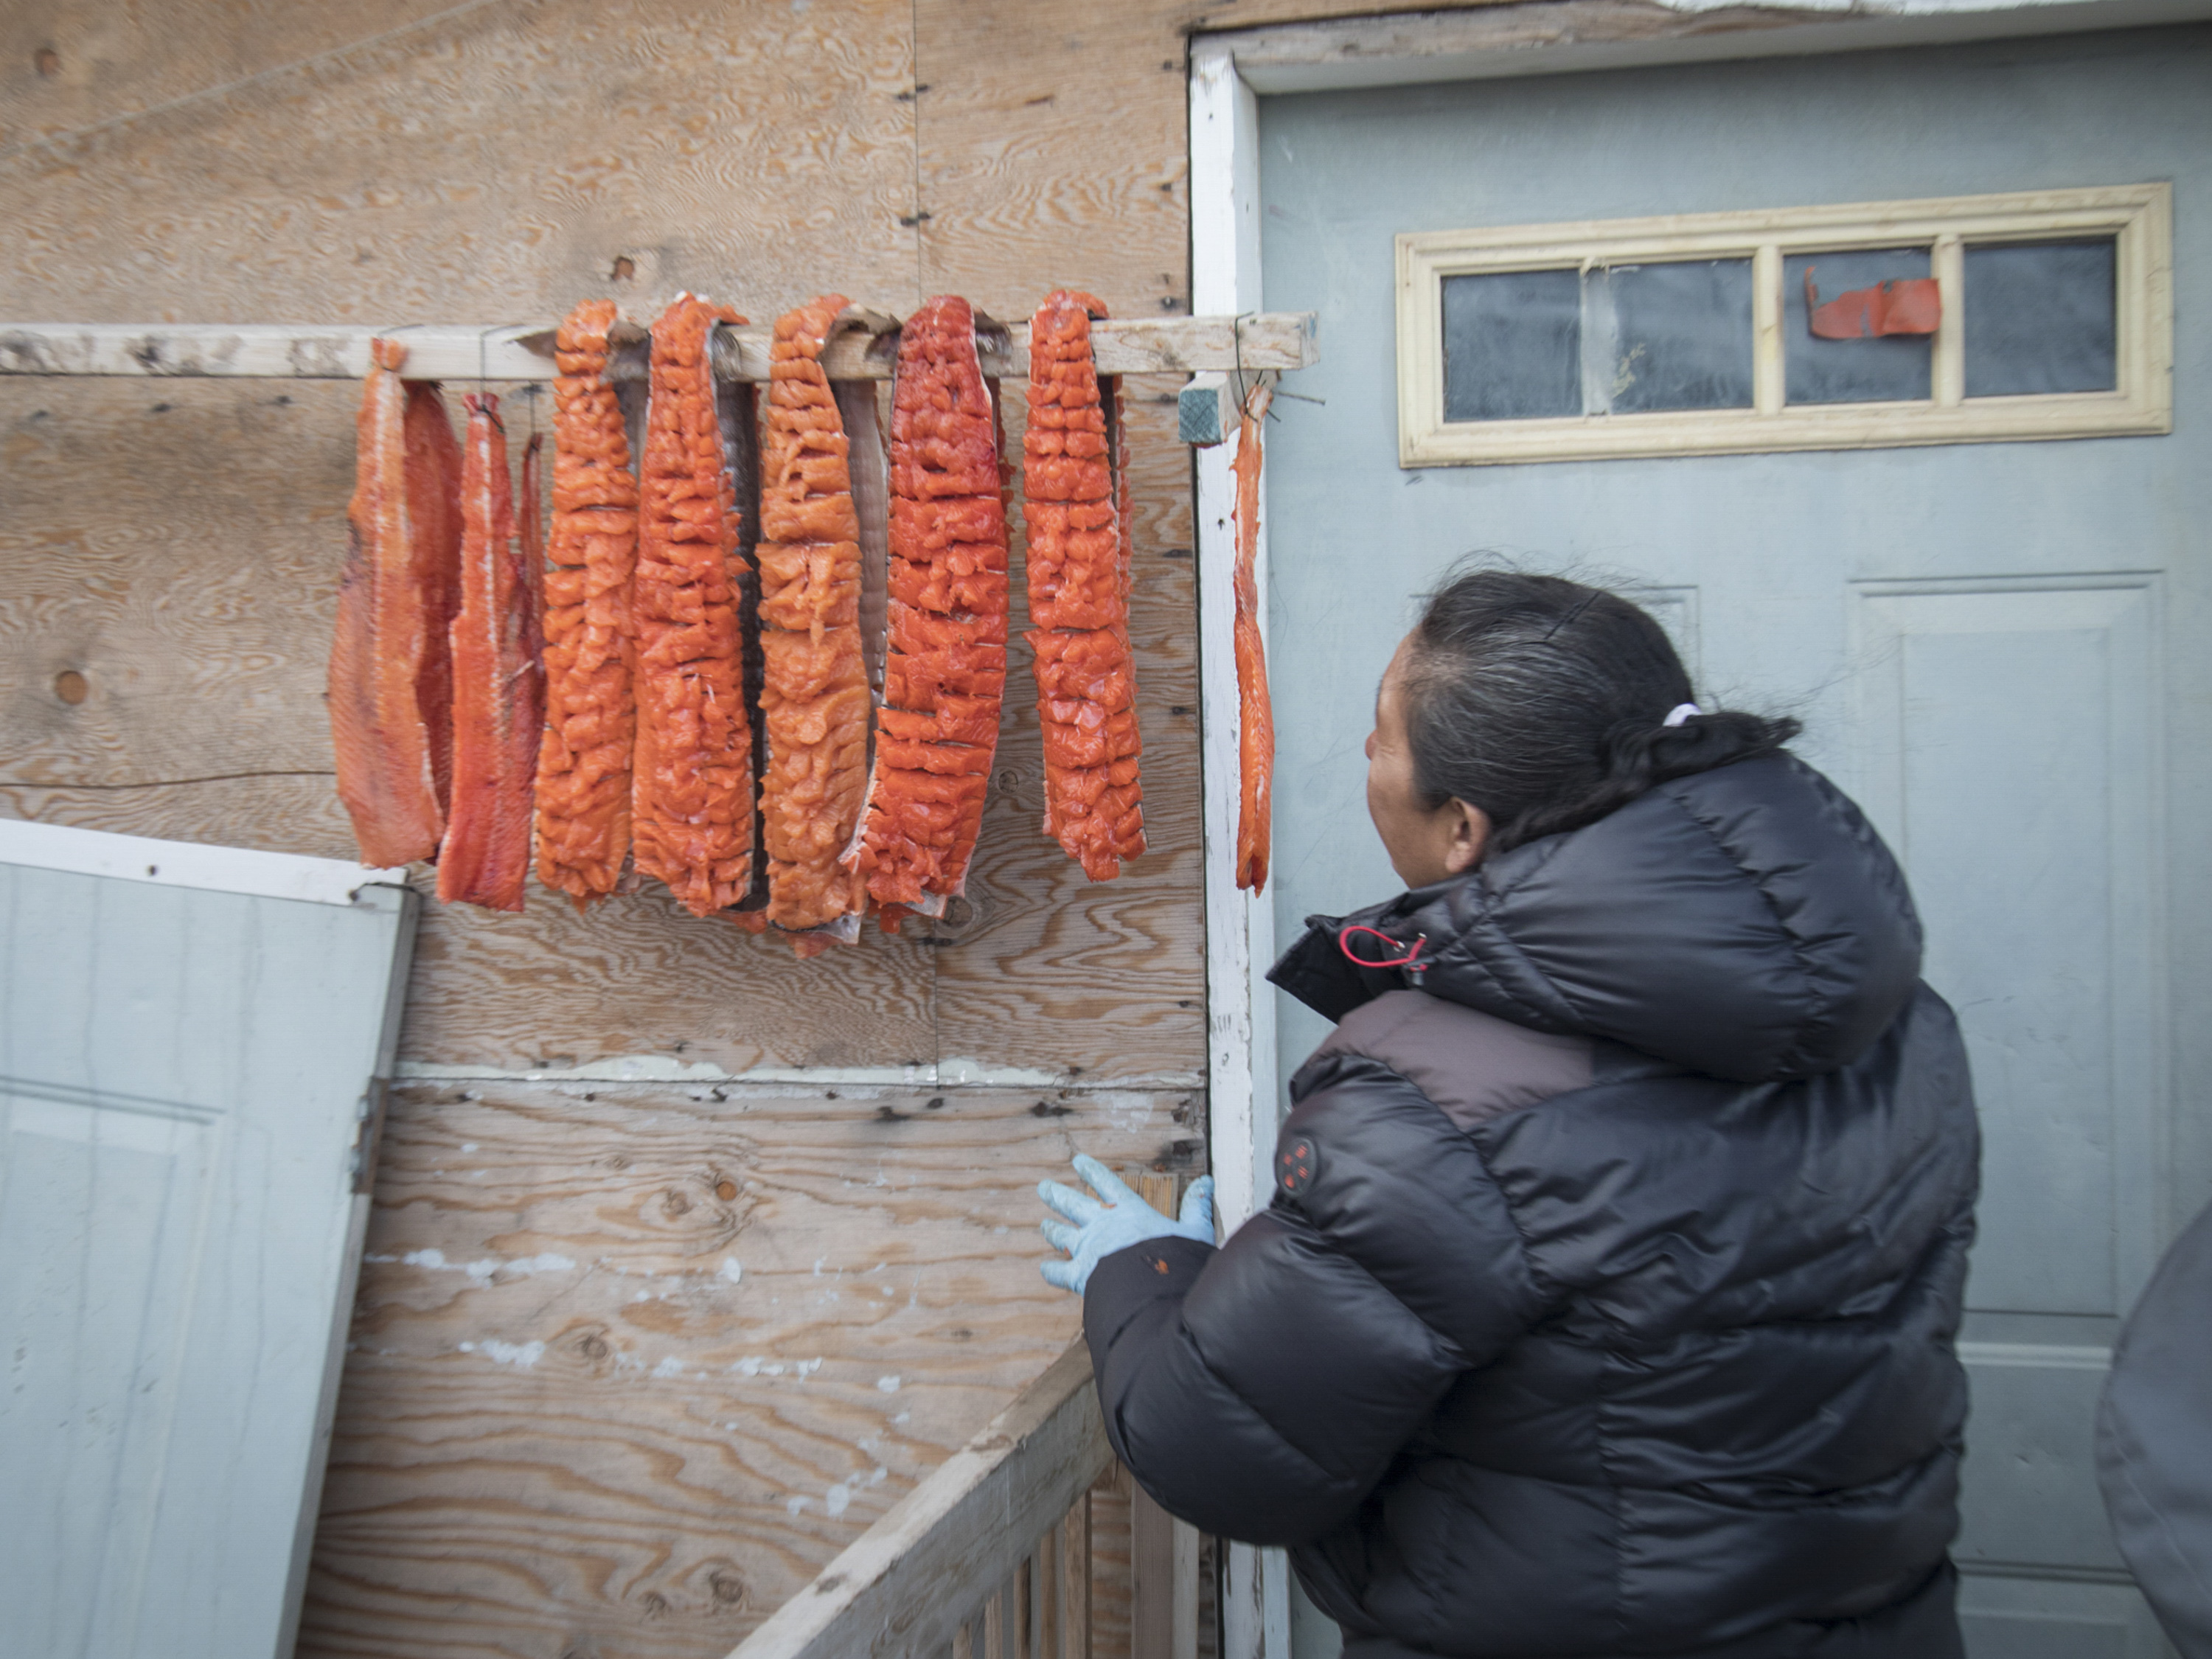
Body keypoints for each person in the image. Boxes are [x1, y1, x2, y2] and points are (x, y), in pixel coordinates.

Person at [1038, 570, 1981, 1658]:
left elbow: (1218, 1449)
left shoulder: (1438, 1098)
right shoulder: (1901, 1019)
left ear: (1464, 828)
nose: (1364, 759)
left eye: (1380, 737)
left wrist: (1147, 1271)